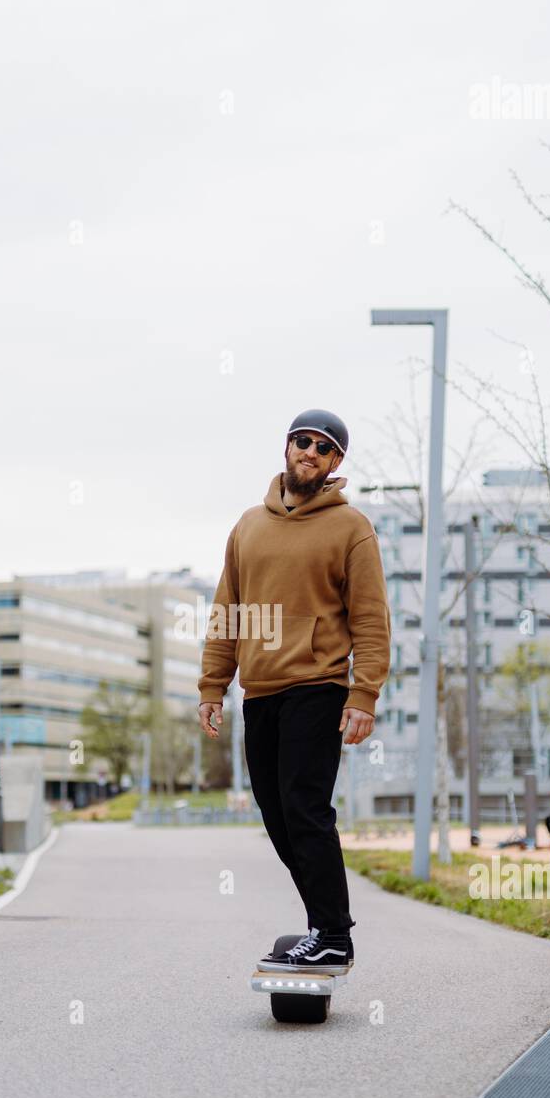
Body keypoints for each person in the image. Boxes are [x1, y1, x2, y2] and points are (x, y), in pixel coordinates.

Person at [197, 408, 391, 972]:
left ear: (335, 465)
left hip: (318, 687)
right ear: (286, 448)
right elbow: (226, 611)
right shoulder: (248, 525)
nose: (311, 451)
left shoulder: (351, 528)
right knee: (277, 816)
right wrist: (214, 685)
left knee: (305, 810)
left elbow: (371, 620)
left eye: (325, 448)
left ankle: (332, 933)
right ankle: (323, 928)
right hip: (259, 693)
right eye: (303, 441)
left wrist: (364, 695)